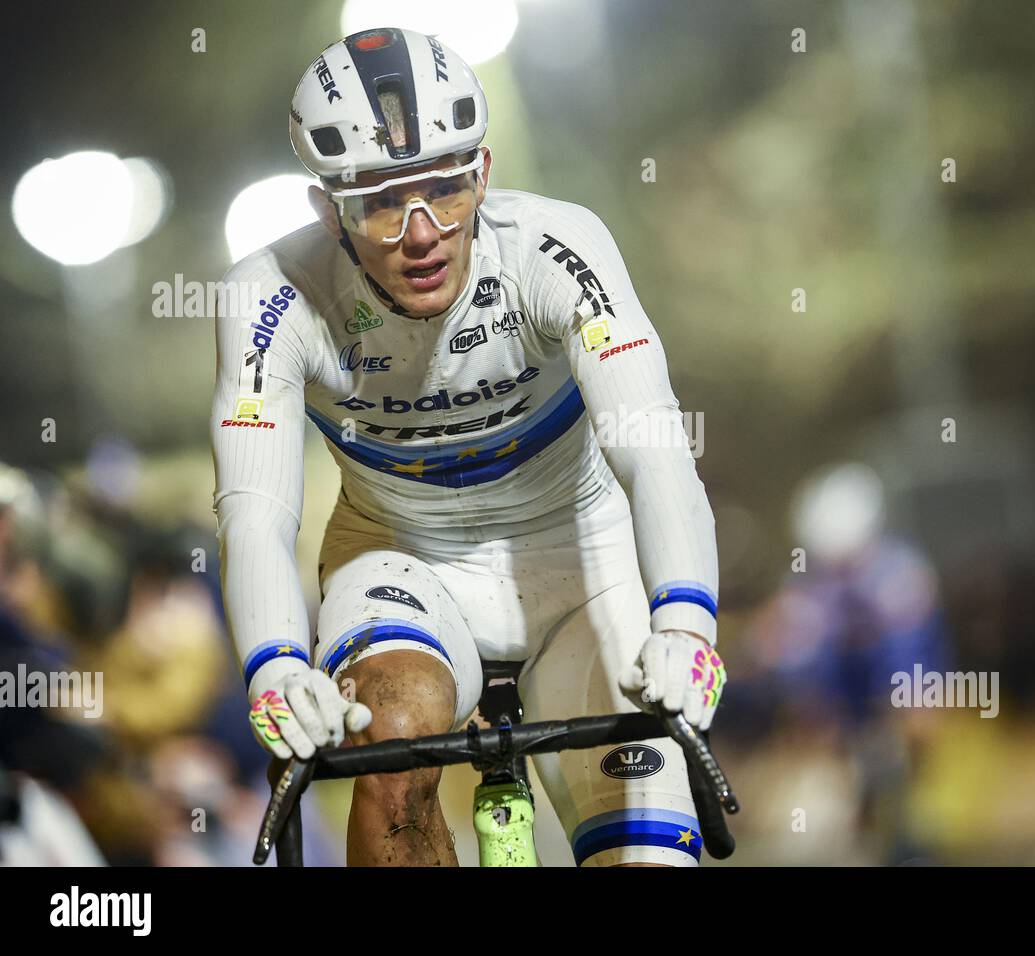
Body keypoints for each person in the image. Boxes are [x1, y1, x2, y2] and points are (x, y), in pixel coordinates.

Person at [210, 28, 724, 867]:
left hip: (582, 559)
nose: (420, 234)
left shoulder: (556, 247)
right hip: (398, 561)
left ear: (482, 174)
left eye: (444, 192)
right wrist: (274, 667)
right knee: (391, 745)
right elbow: (254, 510)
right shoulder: (269, 296)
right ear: (324, 210)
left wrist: (685, 623)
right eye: (379, 202)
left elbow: (654, 447)